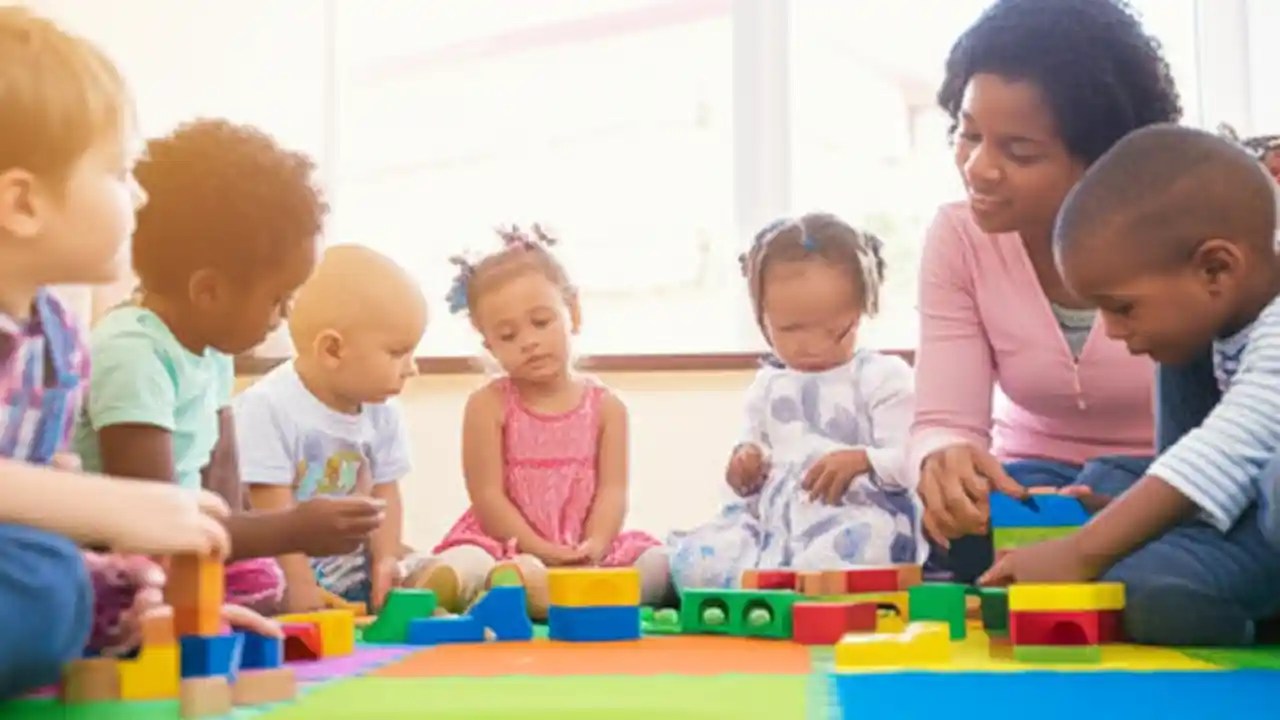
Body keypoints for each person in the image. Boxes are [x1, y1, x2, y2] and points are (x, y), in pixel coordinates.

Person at [0, 7, 237, 698]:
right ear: (23, 203)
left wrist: (130, 592)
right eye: (120, 170)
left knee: (58, 577)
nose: (139, 194)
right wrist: (107, 504)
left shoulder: (59, 342)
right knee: (44, 580)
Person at [909, 0, 1183, 582]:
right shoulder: (959, 237)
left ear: (1102, 158)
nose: (978, 169)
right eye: (969, 134)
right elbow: (944, 417)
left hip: (1163, 481)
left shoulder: (1182, 236)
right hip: (1031, 481)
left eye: (1020, 151)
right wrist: (943, 457)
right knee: (969, 530)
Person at [72, 119, 385, 616]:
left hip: (184, 545)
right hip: (123, 553)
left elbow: (225, 496)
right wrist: (293, 528)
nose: (284, 316)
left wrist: (283, 540)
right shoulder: (132, 353)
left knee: (263, 582)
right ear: (209, 291)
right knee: (229, 589)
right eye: (278, 298)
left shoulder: (211, 353)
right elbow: (150, 521)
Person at [982, 125, 1280, 646]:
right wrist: (1123, 515)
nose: (1113, 331)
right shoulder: (1220, 321)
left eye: (1121, 308)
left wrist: (1081, 551)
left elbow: (1230, 448)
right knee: (1119, 522)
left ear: (1216, 268)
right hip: (1254, 529)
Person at [669, 214, 918, 588]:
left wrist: (864, 459)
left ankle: (790, 579)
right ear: (762, 318)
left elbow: (915, 460)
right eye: (789, 330)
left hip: (850, 520)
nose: (811, 345)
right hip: (771, 527)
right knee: (698, 558)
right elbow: (750, 457)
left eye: (833, 329)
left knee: (865, 542)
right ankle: (773, 577)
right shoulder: (768, 385)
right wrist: (744, 464)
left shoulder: (882, 377)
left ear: (861, 310)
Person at [430, 226, 668, 616]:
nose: (528, 341)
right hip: (507, 545)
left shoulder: (607, 407)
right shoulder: (487, 406)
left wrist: (595, 545)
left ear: (572, 313)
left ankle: (572, 593)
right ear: (489, 345)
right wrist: (538, 549)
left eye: (541, 322)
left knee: (657, 563)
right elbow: (488, 498)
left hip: (586, 550)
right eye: (508, 335)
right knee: (474, 562)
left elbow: (613, 491)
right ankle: (461, 584)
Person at [236, 244, 442, 613]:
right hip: (284, 559)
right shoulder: (267, 406)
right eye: (397, 353)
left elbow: (385, 494)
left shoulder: (383, 409)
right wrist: (301, 588)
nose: (412, 368)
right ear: (332, 350)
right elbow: (269, 510)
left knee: (422, 566)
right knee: (257, 586)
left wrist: (386, 560)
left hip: (351, 565)